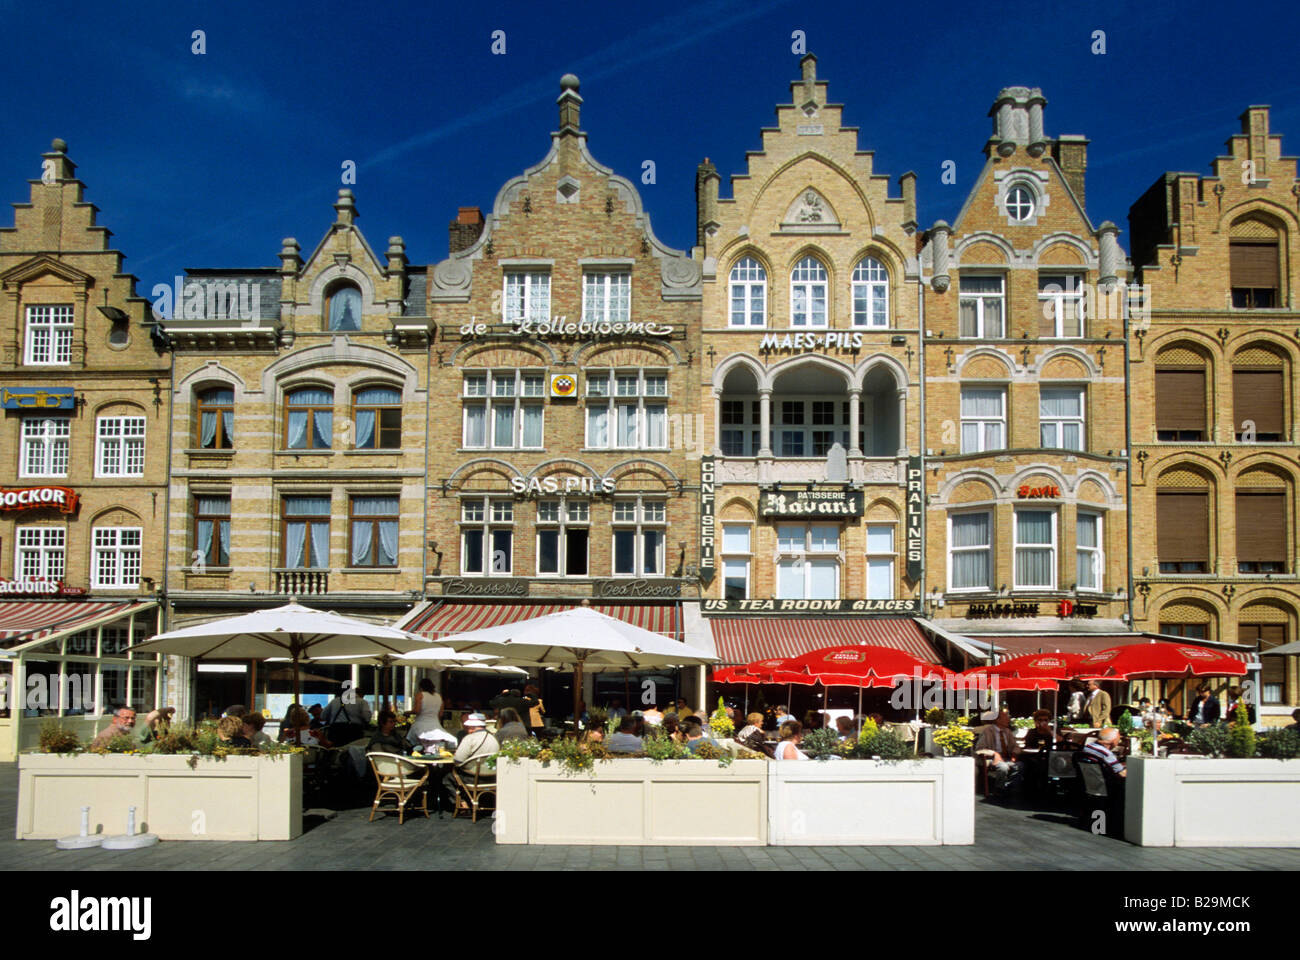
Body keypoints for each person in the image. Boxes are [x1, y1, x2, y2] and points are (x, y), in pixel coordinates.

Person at [975, 708, 1022, 794]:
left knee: (1020, 765)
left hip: (1006, 758)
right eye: (1006, 717)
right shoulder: (988, 731)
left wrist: (1014, 755)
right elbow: (979, 749)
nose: (1008, 719)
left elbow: (1015, 746)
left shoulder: (1007, 731)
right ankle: (999, 789)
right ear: (998, 720)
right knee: (1003, 767)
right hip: (992, 758)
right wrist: (994, 753)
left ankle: (1008, 786)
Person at [408, 677, 449, 745]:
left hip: (421, 725)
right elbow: (440, 714)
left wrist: (406, 713)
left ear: (421, 687)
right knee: (433, 747)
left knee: (417, 747)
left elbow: (417, 711)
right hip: (436, 726)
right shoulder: (439, 697)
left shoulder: (420, 695)